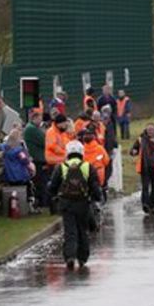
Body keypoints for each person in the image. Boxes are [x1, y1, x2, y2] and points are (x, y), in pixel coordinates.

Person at [48, 140, 103, 270]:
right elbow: (95, 187)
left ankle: (70, 256)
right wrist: (96, 199)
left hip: (66, 204)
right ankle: (82, 258)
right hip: (83, 203)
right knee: (82, 230)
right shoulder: (88, 166)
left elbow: (53, 186)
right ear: (81, 152)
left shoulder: (61, 167)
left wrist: (54, 196)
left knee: (70, 231)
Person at [129, 123, 154, 214]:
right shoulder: (141, 139)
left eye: (152, 130)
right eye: (148, 130)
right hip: (144, 166)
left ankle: (152, 206)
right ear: (146, 131)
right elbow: (133, 150)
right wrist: (133, 151)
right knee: (145, 186)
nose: (150, 132)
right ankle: (145, 205)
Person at [44, 115, 72, 211]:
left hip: (60, 161)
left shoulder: (61, 133)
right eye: (64, 123)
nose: (65, 125)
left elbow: (67, 142)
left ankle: (59, 206)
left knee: (60, 184)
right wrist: (66, 153)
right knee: (54, 185)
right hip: (53, 161)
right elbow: (53, 146)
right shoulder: (51, 132)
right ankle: (53, 207)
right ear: (59, 123)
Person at [24, 110, 50, 210]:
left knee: (41, 181)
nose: (41, 121)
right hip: (37, 159)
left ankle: (42, 201)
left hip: (38, 158)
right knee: (41, 182)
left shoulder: (33, 128)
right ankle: (43, 202)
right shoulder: (32, 129)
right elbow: (45, 140)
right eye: (39, 119)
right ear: (34, 118)